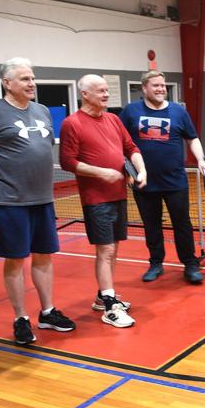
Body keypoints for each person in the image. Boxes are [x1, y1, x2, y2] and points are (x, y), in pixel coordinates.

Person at [0, 57, 76, 345]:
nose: (32, 84)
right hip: (9, 200)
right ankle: (20, 317)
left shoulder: (41, 111)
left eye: (32, 78)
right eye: (25, 79)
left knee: (44, 256)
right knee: (16, 260)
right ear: (7, 82)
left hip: (42, 199)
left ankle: (47, 311)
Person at [59, 74, 147, 327]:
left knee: (114, 247)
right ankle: (109, 306)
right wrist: (102, 173)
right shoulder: (72, 123)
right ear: (85, 94)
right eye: (100, 91)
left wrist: (141, 170)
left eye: (107, 90)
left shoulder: (113, 119)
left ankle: (102, 295)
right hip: (95, 198)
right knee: (105, 249)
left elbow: (131, 148)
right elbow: (68, 161)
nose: (106, 95)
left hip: (119, 194)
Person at [119, 70, 205, 284]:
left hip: (175, 180)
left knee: (182, 223)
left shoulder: (178, 112)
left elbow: (192, 138)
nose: (160, 89)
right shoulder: (130, 112)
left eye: (163, 85)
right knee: (151, 224)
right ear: (144, 88)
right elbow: (119, 142)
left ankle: (190, 264)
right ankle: (156, 263)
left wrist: (201, 159)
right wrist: (128, 172)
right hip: (144, 181)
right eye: (155, 85)